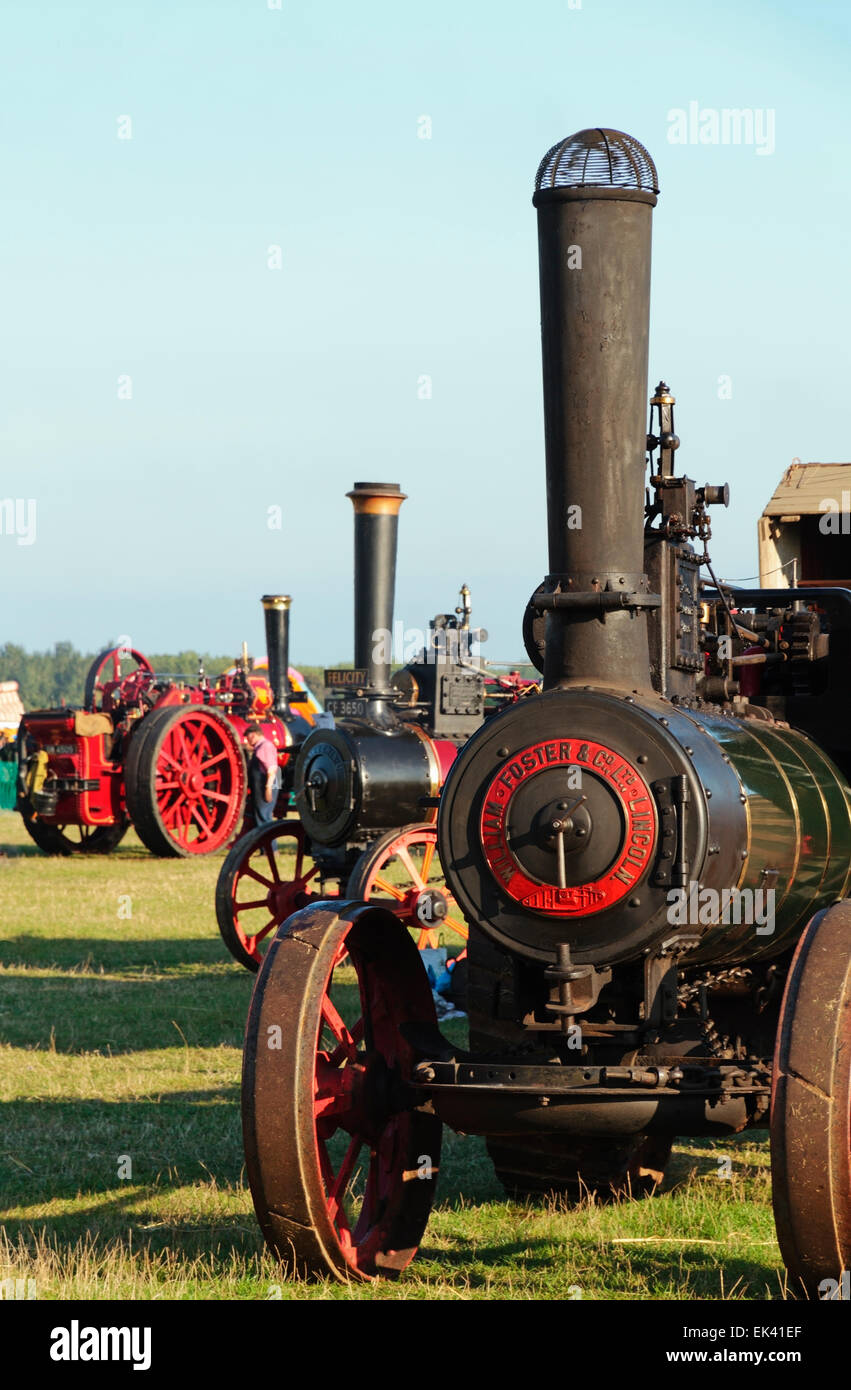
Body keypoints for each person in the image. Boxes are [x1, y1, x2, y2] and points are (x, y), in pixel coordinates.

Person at [243, 723, 282, 835]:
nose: (247, 739)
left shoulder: (265, 746)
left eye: (247, 736)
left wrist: (268, 789)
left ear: (253, 735)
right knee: (260, 816)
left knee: (264, 816)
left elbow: (272, 769)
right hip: (261, 785)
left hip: (265, 784)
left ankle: (271, 848)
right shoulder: (259, 748)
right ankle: (265, 848)